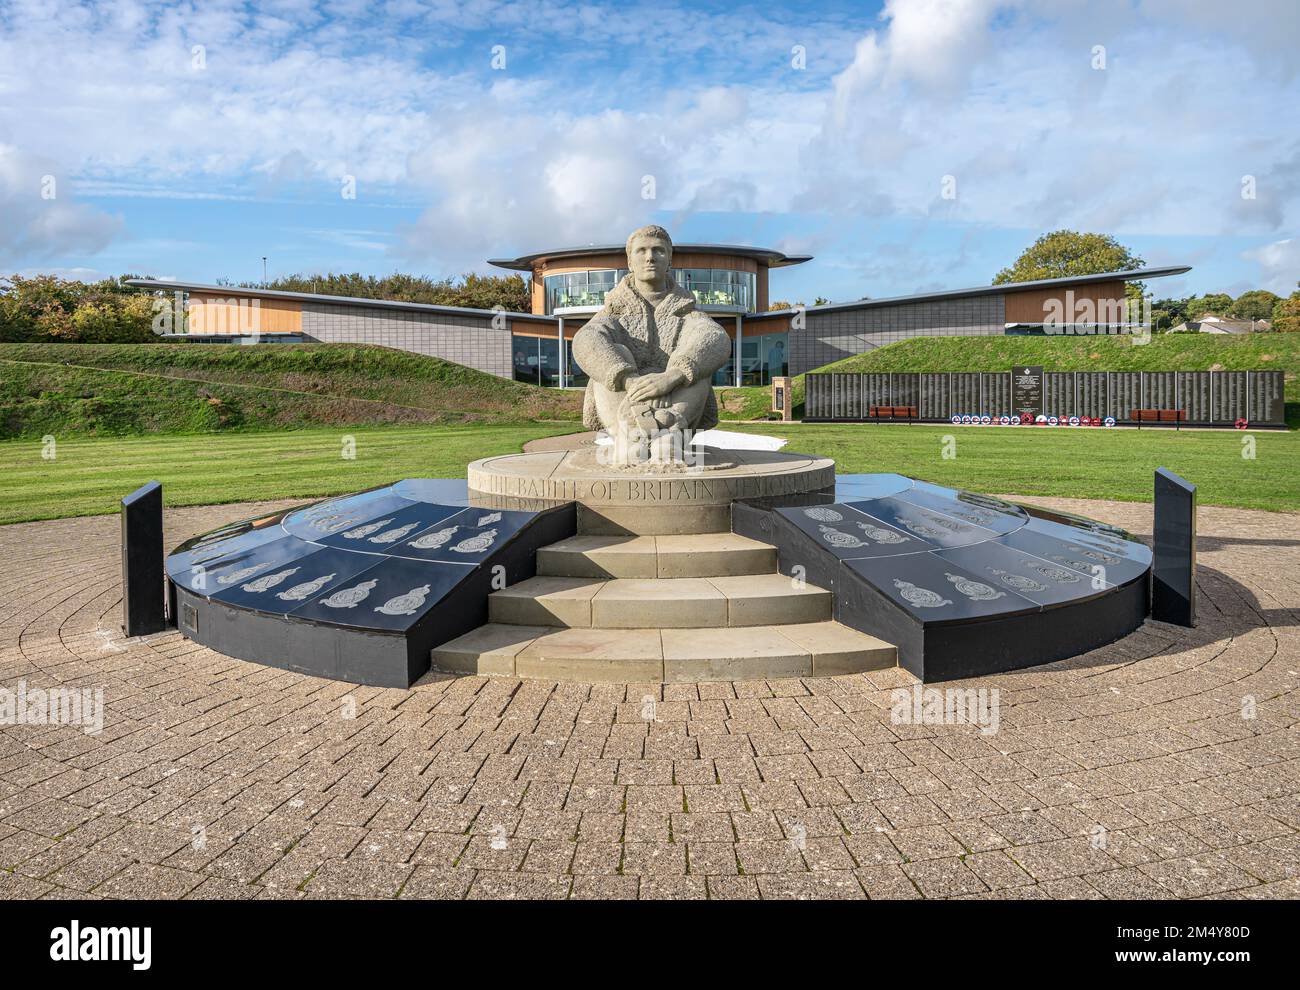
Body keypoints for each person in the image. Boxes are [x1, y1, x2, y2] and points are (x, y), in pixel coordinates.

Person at [571, 225, 731, 460]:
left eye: (658, 251)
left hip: (676, 403)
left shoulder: (687, 311)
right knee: (612, 353)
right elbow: (586, 340)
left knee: (694, 359)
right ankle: (630, 436)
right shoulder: (614, 311)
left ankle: (670, 436)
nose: (650, 257)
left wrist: (671, 377)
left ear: (670, 260)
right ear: (629, 261)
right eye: (642, 251)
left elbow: (714, 337)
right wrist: (630, 381)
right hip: (626, 405)